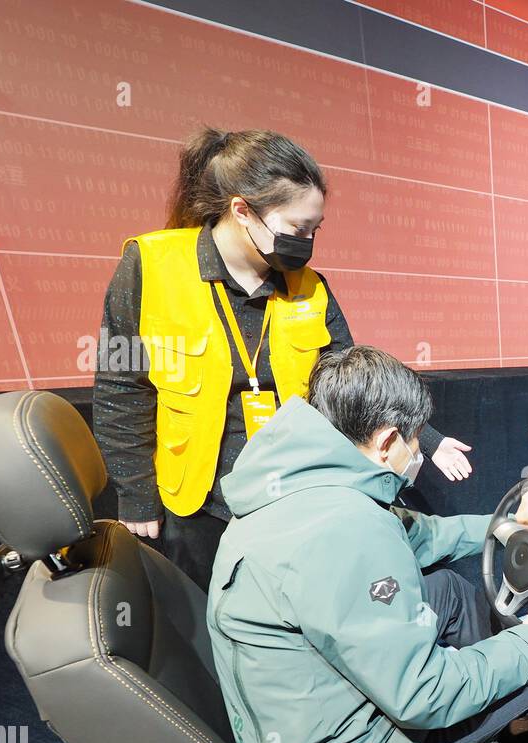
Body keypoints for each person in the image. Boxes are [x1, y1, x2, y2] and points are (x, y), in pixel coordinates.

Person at [206, 345, 528, 743]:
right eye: (416, 441)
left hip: (302, 729)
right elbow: (422, 695)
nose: (418, 454)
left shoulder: (298, 482)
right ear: (387, 441)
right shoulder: (346, 528)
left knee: (448, 591)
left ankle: (489, 688)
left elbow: (419, 534)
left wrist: (510, 524)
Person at [92, 127, 473, 590]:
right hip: (197, 504)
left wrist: (424, 437)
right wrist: (135, 494)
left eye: (315, 229)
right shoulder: (151, 265)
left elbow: (352, 382)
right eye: (297, 229)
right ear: (242, 210)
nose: (307, 241)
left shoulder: (310, 288)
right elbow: (121, 387)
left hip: (293, 495)